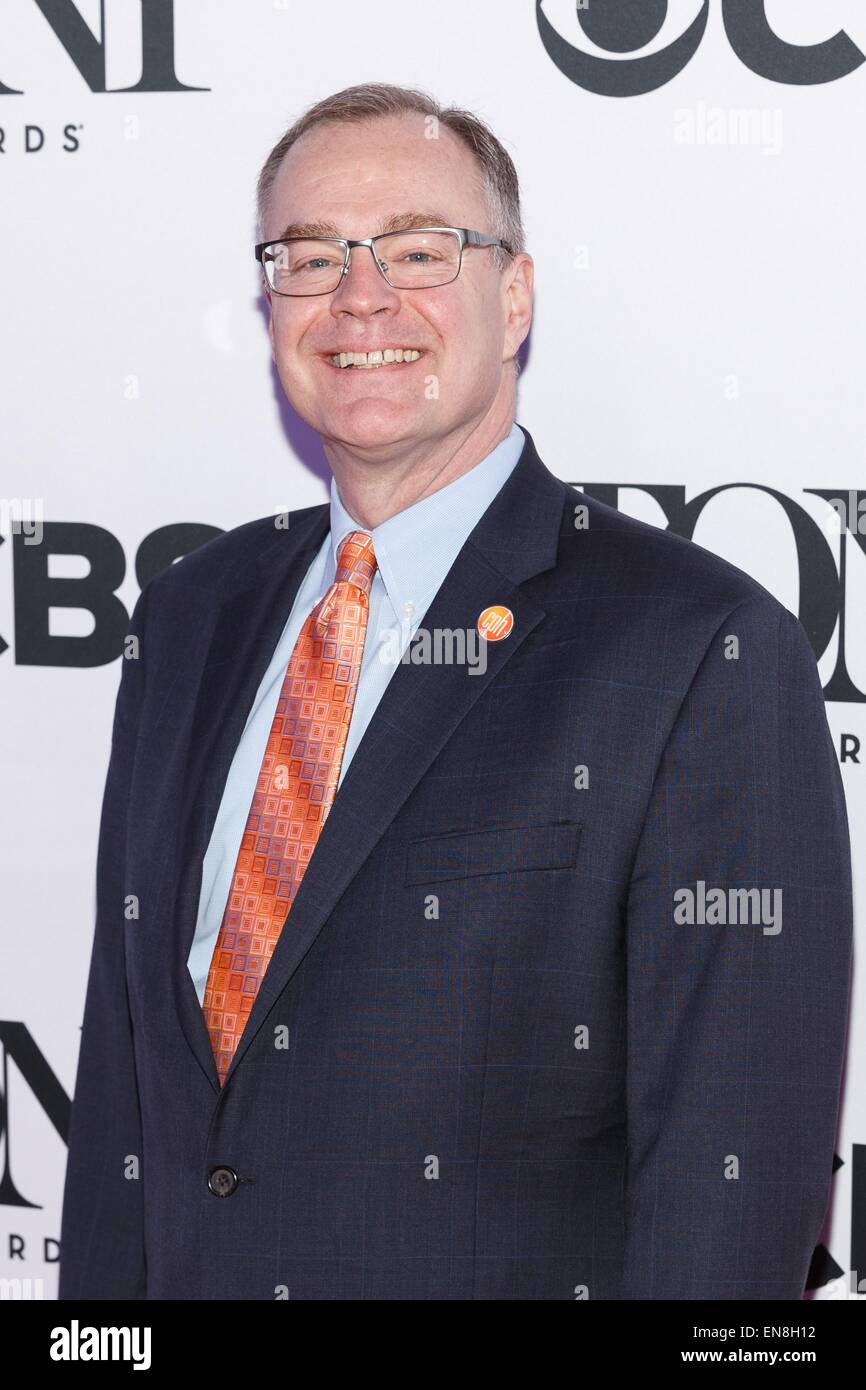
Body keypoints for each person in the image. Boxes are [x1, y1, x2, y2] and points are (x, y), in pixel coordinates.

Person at [59, 81, 853, 1301]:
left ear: (515, 296)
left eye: (419, 251)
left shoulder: (699, 651)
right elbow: (123, 1092)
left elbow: (733, 1185)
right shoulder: (189, 615)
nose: (359, 297)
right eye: (310, 256)